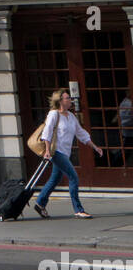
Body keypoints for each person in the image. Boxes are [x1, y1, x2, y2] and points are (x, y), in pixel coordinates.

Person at [33, 88, 102, 218]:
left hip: (65, 152)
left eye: (70, 98)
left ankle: (40, 203)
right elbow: (46, 133)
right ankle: (78, 209)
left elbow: (80, 133)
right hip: (56, 152)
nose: (70, 100)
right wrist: (47, 150)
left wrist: (94, 146)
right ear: (60, 101)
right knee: (73, 177)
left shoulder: (71, 116)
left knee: (55, 179)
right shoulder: (54, 114)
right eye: (67, 98)